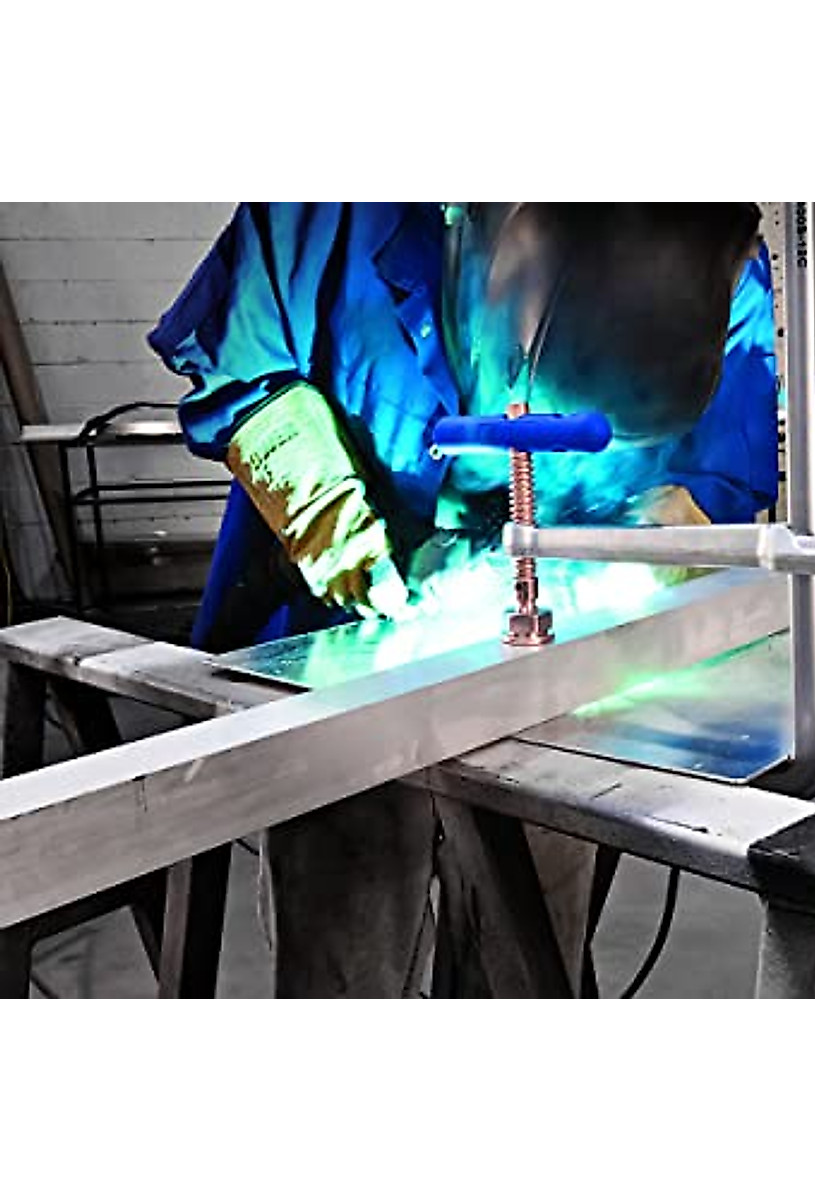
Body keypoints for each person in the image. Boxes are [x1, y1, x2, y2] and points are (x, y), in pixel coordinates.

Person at [149, 202, 779, 997]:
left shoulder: (708, 245)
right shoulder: (331, 209)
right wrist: (320, 502)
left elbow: (722, 466)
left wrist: (663, 536)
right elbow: (244, 366)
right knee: (347, 930)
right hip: (355, 630)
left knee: (526, 942)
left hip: (561, 653)